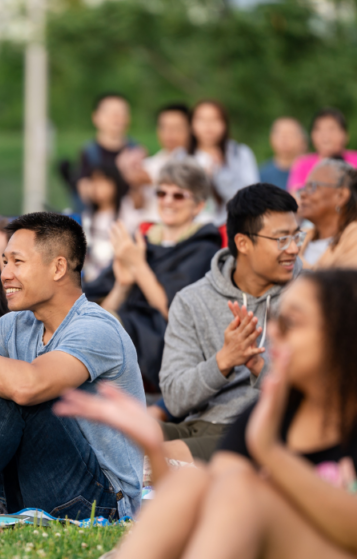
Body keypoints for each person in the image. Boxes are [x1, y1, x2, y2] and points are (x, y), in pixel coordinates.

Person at [56, 269, 357, 559]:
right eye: (275, 319)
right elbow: (207, 508)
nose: (273, 333)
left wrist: (270, 452)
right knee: (192, 483)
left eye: (291, 323)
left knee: (242, 485)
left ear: (342, 334)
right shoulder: (270, 412)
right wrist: (153, 448)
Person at [0, 212, 145, 520]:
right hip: (34, 486)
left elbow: (26, 386)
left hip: (100, 498)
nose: (4, 274)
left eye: (16, 262)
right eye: (4, 262)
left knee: (19, 391)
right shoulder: (13, 325)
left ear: (58, 267)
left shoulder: (96, 328)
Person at [157, 184, 303, 463]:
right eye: (282, 239)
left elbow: (320, 390)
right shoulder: (192, 300)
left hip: (259, 430)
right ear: (243, 243)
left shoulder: (309, 295)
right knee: (117, 438)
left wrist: (259, 367)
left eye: (296, 236)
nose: (294, 249)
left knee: (155, 458)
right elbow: (175, 398)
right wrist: (223, 360)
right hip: (196, 425)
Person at [85, 161, 222, 390]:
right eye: (161, 193)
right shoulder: (143, 240)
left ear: (198, 206)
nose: (167, 201)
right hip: (123, 326)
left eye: (178, 195)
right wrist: (122, 285)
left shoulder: (204, 247)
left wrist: (138, 265)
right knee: (83, 320)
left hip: (160, 339)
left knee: (102, 328)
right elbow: (95, 302)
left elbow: (173, 310)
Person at [189, 100, 259, 214]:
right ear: (191, 124)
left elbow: (252, 195)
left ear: (225, 124)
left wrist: (222, 172)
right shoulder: (183, 158)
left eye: (215, 119)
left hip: (233, 224)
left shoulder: (239, 153)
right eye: (201, 119)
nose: (208, 125)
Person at [79, 162, 137, 282]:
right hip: (91, 279)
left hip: (119, 277)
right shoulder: (87, 217)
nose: (95, 187)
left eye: (102, 181)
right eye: (92, 181)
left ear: (115, 184)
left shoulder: (128, 213)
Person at [299, 158, 357, 268]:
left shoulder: (354, 237)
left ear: (341, 196)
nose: (302, 194)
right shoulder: (301, 235)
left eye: (312, 187)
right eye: (304, 187)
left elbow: (346, 283)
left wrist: (296, 263)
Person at [288, 107, 357, 192]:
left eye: (331, 129)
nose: (325, 136)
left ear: (345, 135)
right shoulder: (302, 164)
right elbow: (296, 197)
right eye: (318, 129)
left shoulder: (355, 161)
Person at [141, 103, 192, 186]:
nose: (170, 134)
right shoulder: (148, 165)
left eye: (176, 128)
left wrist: (151, 181)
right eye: (165, 128)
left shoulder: (201, 160)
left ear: (190, 129)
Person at [258, 117, 308, 189]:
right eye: (279, 134)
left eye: (290, 134)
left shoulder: (312, 170)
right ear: (271, 139)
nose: (284, 138)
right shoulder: (262, 174)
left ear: (302, 140)